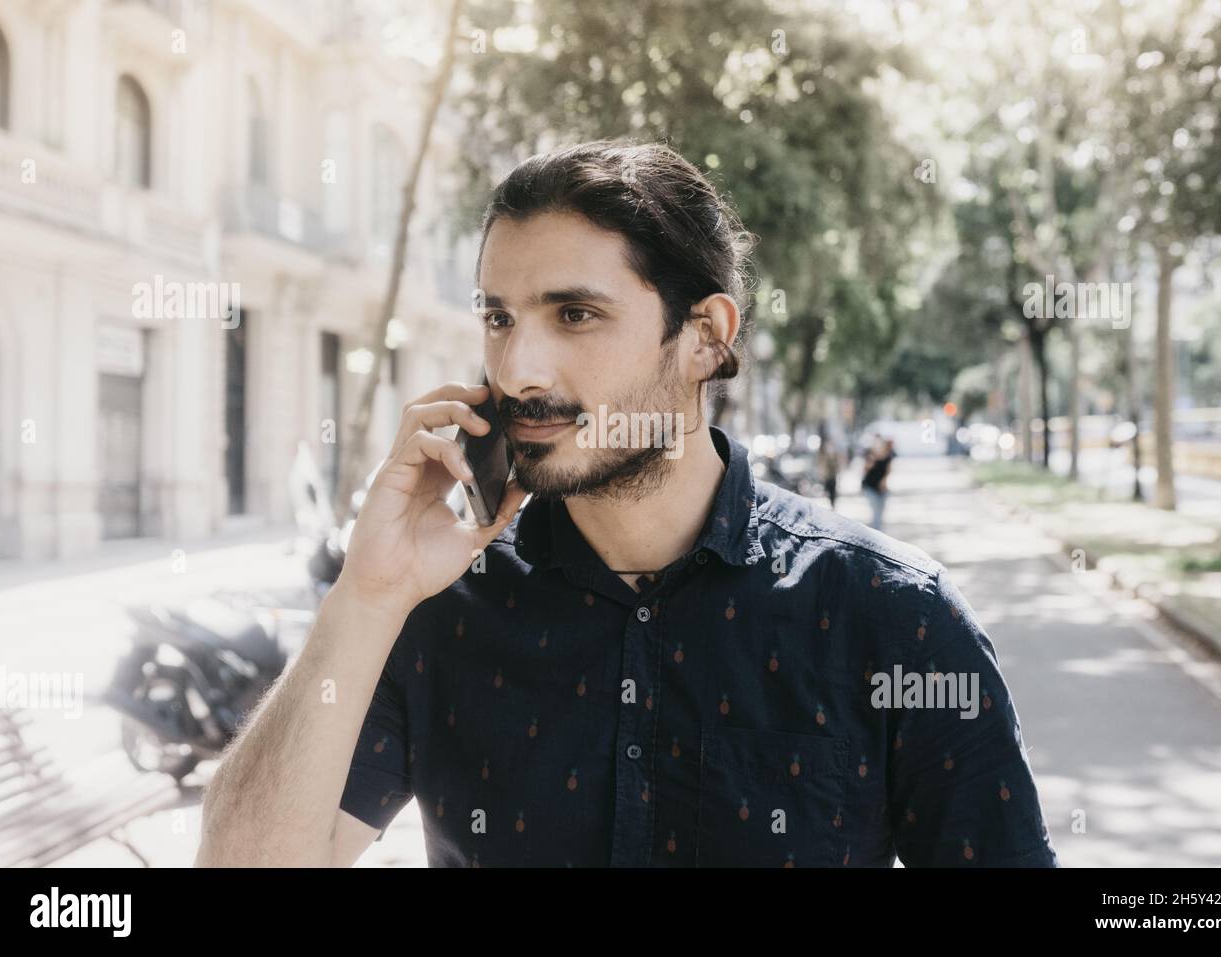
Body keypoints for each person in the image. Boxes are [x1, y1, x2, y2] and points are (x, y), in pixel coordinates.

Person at [196, 139, 1057, 868]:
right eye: (499, 317)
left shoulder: (889, 614)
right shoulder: (438, 608)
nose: (519, 367)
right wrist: (367, 594)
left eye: (574, 314)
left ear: (706, 338)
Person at [861, 435, 895, 531]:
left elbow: (889, 470)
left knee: (881, 512)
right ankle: (876, 532)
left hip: (882, 489)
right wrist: (870, 462)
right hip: (869, 487)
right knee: (875, 512)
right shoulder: (869, 455)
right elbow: (864, 471)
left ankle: (878, 531)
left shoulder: (888, 456)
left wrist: (884, 481)